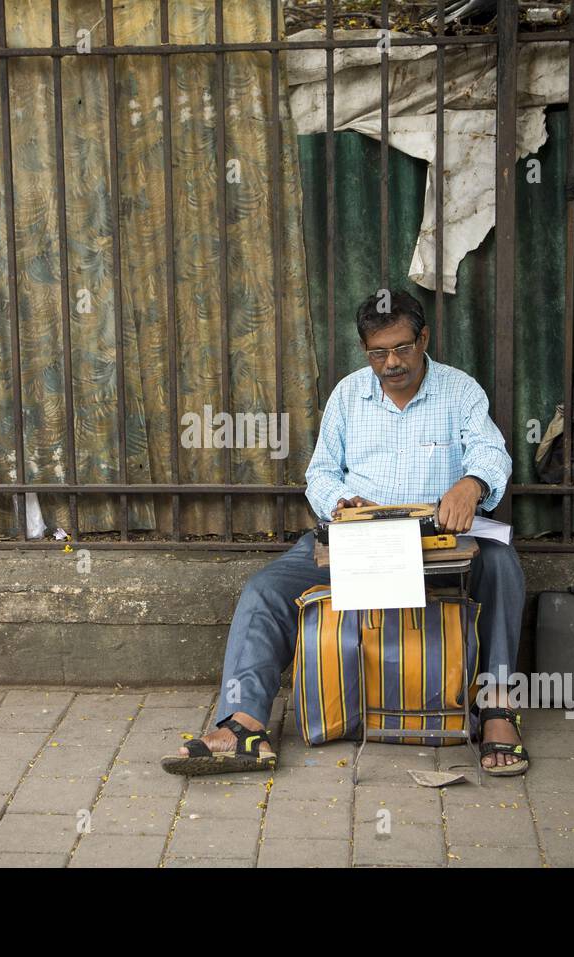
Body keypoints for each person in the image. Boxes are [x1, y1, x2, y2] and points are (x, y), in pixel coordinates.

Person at [162, 291, 529, 777]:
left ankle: (498, 712)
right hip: (360, 539)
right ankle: (246, 725)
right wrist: (340, 504)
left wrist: (471, 484)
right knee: (265, 591)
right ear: (365, 350)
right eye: (379, 353)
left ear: (424, 338)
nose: (392, 363)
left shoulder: (460, 391)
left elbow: (491, 452)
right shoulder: (348, 394)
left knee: (502, 565)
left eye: (402, 348)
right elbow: (320, 474)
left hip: (436, 540)